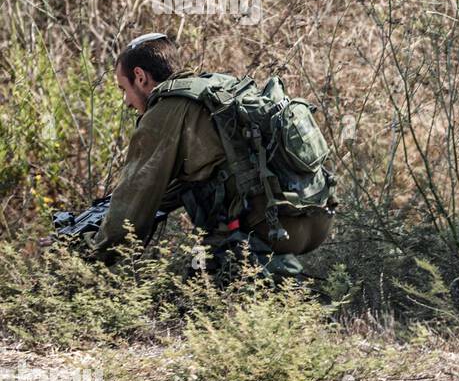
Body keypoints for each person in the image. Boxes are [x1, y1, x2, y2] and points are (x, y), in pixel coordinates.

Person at [87, 32, 332, 279]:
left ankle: (293, 297)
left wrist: (89, 257)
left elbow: (132, 203)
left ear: (140, 77)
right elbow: (167, 193)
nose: (126, 101)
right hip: (311, 216)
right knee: (199, 279)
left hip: (268, 227)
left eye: (123, 89)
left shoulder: (163, 113)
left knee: (194, 303)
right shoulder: (216, 86)